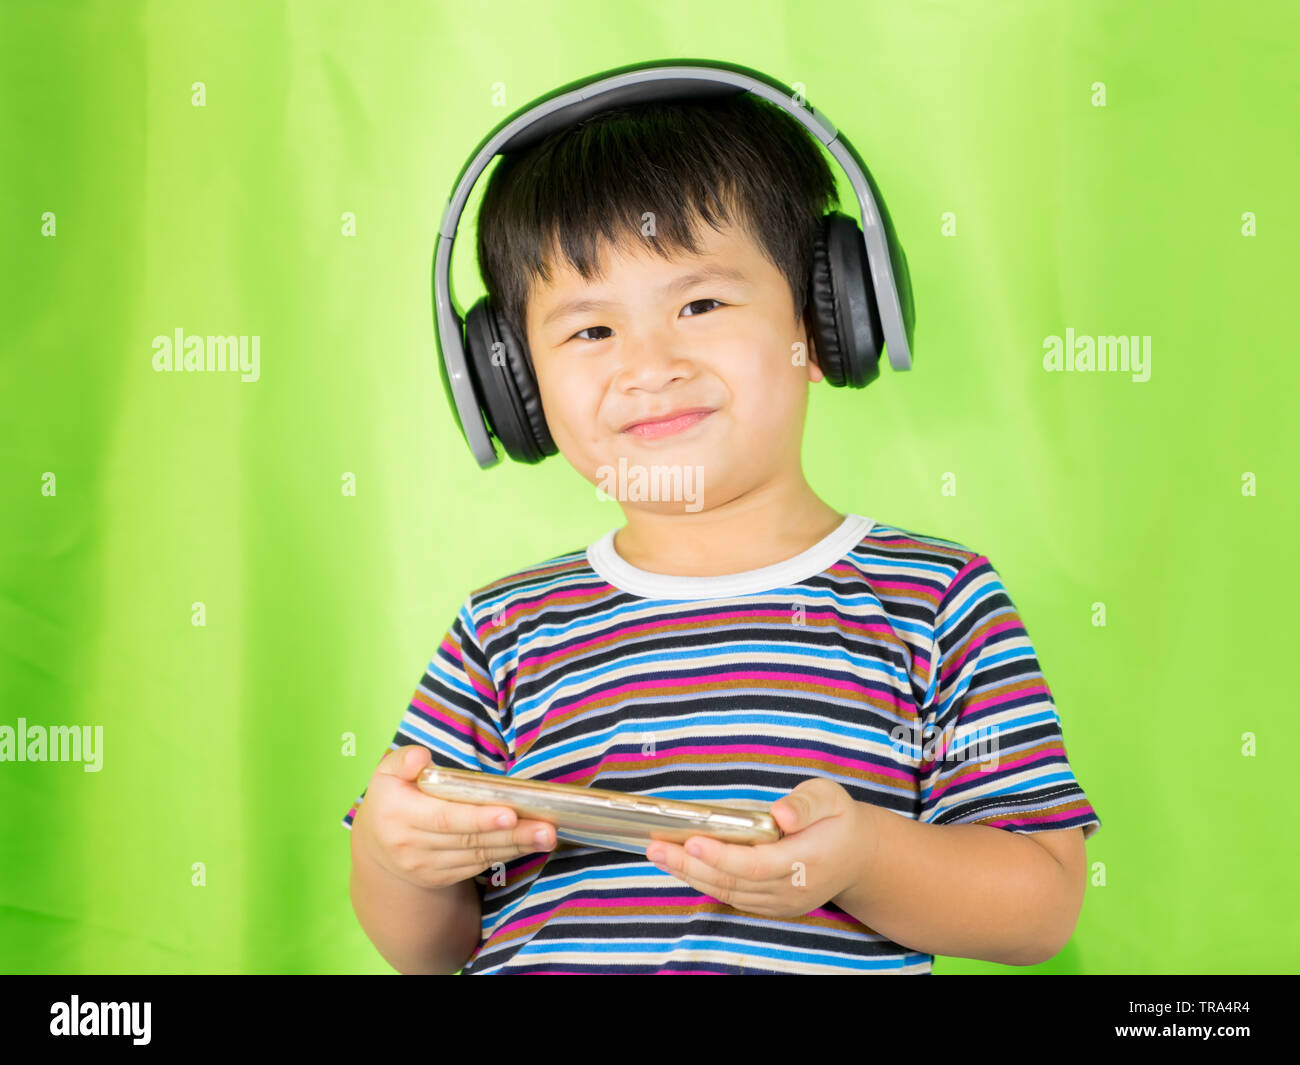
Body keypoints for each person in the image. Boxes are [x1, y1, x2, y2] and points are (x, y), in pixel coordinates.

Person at [343, 90, 1101, 974]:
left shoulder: (936, 601)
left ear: (824, 321)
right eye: (590, 329)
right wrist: (397, 860)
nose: (648, 367)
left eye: (700, 305)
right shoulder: (501, 628)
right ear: (517, 390)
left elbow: (1038, 910)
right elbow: (427, 955)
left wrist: (861, 859)